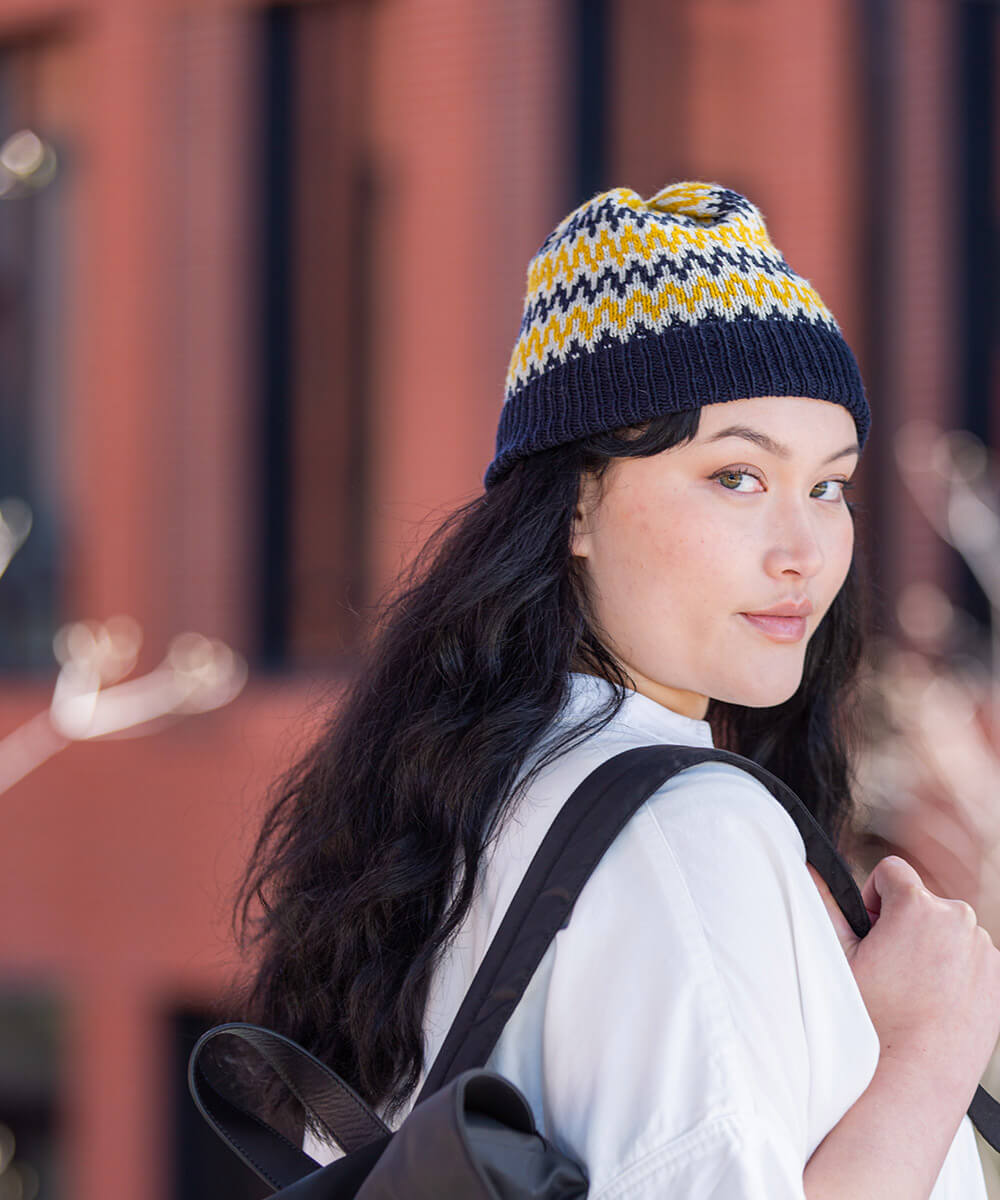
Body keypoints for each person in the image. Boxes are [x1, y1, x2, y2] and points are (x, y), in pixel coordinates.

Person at [233, 182, 1000, 1197]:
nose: (802, 551)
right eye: (736, 476)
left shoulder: (475, 797)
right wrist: (929, 1052)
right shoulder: (684, 827)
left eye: (829, 486)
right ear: (576, 506)